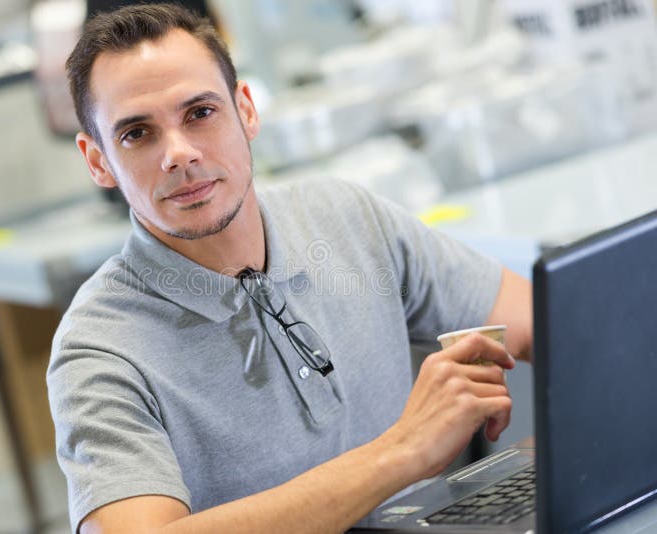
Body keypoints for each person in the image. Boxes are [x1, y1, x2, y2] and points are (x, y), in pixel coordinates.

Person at [47, 4, 533, 533]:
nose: (179, 154)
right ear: (97, 161)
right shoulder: (99, 350)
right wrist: (402, 451)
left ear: (246, 111)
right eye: (137, 133)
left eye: (200, 113)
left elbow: (543, 322)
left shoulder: (346, 217)